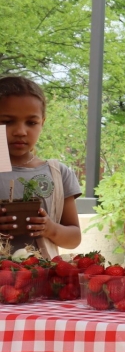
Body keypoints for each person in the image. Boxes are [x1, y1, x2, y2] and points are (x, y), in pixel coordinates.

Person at [0, 77, 81, 257]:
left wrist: (50, 229)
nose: (20, 131)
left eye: (31, 122)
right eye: (7, 121)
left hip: (42, 281)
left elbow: (74, 237)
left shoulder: (57, 173)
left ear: (42, 123)